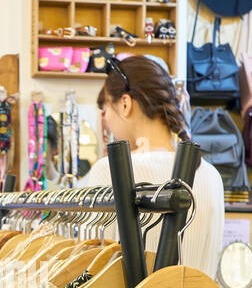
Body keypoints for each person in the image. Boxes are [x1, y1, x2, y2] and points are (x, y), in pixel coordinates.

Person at [77, 55, 225, 275]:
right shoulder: (211, 174)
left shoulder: (111, 170)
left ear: (125, 104)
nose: (106, 120)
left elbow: (91, 268)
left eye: (106, 109)